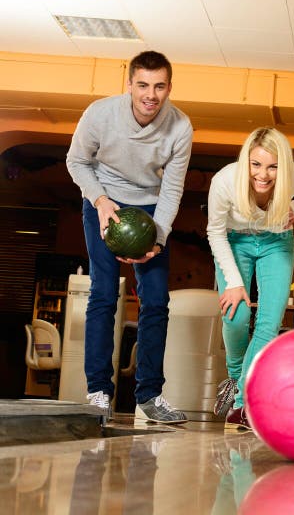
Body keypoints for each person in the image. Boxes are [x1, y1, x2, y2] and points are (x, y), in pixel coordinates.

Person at [66, 50, 193, 424]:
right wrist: (101, 201)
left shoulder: (180, 128)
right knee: (104, 293)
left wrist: (158, 241)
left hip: (151, 208)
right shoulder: (100, 114)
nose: (150, 94)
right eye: (142, 85)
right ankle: (99, 393)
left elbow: (171, 191)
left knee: (156, 301)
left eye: (158, 86)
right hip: (103, 200)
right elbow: (77, 162)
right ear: (130, 85)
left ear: (169, 87)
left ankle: (150, 396)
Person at [207, 127, 294, 429]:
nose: (263, 175)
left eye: (273, 166)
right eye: (256, 164)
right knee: (236, 316)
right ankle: (236, 375)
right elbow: (214, 231)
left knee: (268, 323)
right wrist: (236, 283)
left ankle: (242, 402)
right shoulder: (225, 180)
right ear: (246, 162)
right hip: (234, 241)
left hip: (277, 243)